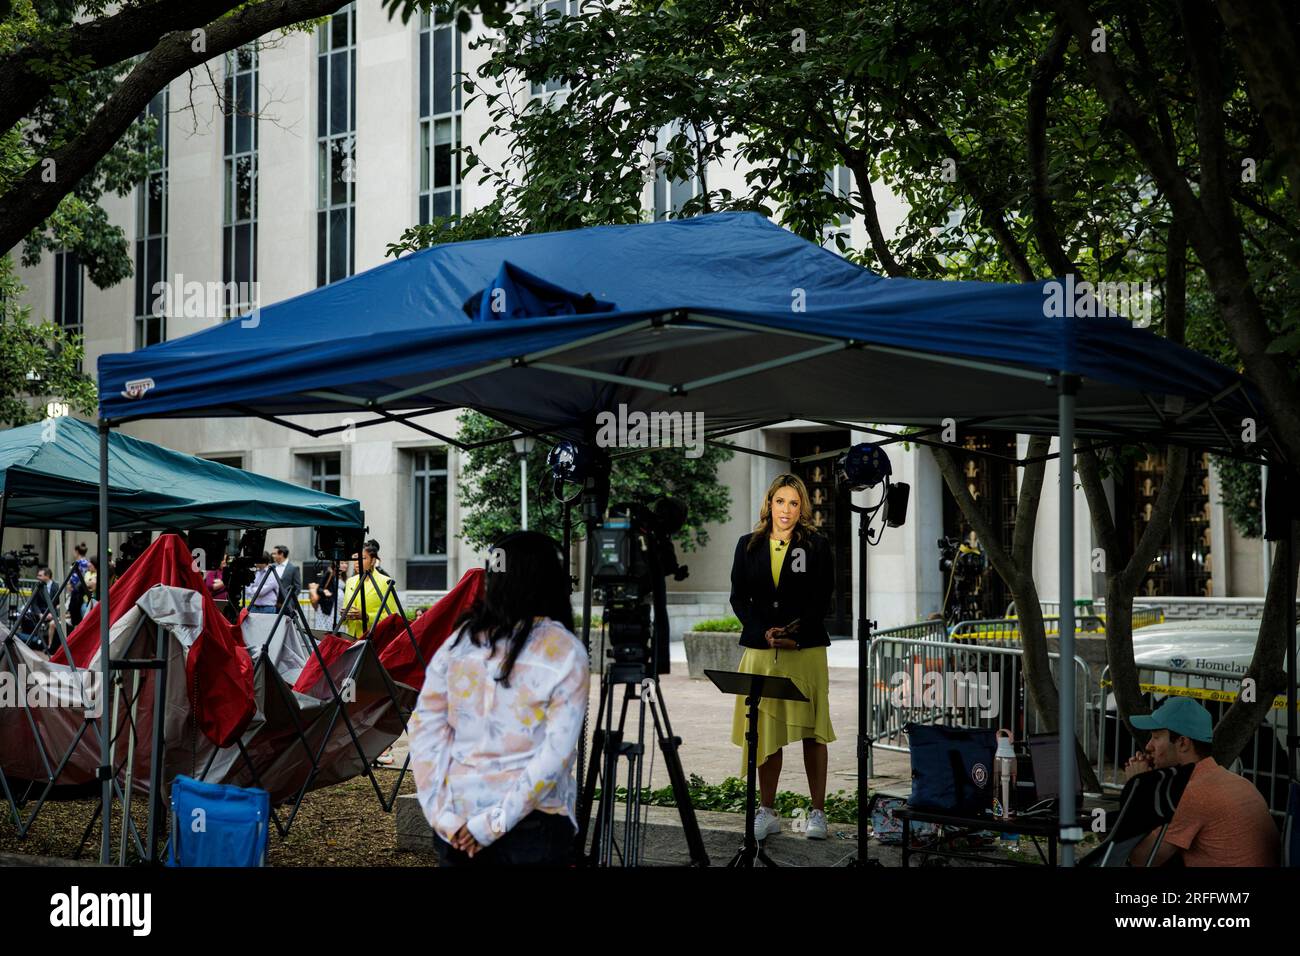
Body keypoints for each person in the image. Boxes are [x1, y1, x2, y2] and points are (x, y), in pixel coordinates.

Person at [408, 530, 589, 866]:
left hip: (456, 823)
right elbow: (556, 753)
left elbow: (423, 730)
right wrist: (492, 823)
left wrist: (442, 815)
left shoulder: (459, 643)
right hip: (531, 826)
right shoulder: (563, 650)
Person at [729, 473, 836, 841]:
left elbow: (822, 599)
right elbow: (739, 598)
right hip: (762, 651)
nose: (786, 510)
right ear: (769, 504)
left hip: (804, 651)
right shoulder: (747, 545)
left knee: (812, 731)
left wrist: (796, 635)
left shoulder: (817, 546)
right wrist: (763, 632)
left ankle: (818, 813)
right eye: (780, 502)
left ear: (802, 507)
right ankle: (767, 811)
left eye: (793, 503)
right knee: (765, 732)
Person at [1125, 697, 1279, 867]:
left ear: (1183, 743)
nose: (1148, 746)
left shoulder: (1194, 793)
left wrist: (1137, 787)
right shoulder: (1235, 781)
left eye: (1156, 737)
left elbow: (1142, 860)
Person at [340, 542, 397, 639]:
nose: (357, 561)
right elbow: (346, 613)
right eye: (355, 558)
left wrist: (366, 616)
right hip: (351, 638)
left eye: (362, 558)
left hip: (374, 638)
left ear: (373, 561)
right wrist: (345, 616)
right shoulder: (350, 581)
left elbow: (391, 617)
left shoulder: (386, 582)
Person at [308, 561, 345, 631]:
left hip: (339, 609)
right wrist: (325, 592)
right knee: (327, 630)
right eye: (342, 563)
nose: (344, 565)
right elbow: (319, 589)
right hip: (329, 608)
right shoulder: (330, 573)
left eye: (346, 563)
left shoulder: (344, 576)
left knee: (338, 631)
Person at [67, 542, 91, 629]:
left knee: (74, 612)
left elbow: (74, 578)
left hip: (77, 590)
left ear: (77, 551)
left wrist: (70, 585)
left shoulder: (77, 563)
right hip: (84, 589)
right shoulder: (88, 562)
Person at [271, 544, 302, 610]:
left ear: (281, 554)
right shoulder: (271, 567)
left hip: (287, 606)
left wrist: (289, 602)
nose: (272, 556)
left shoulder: (293, 568)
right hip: (272, 605)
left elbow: (298, 588)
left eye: (274, 553)